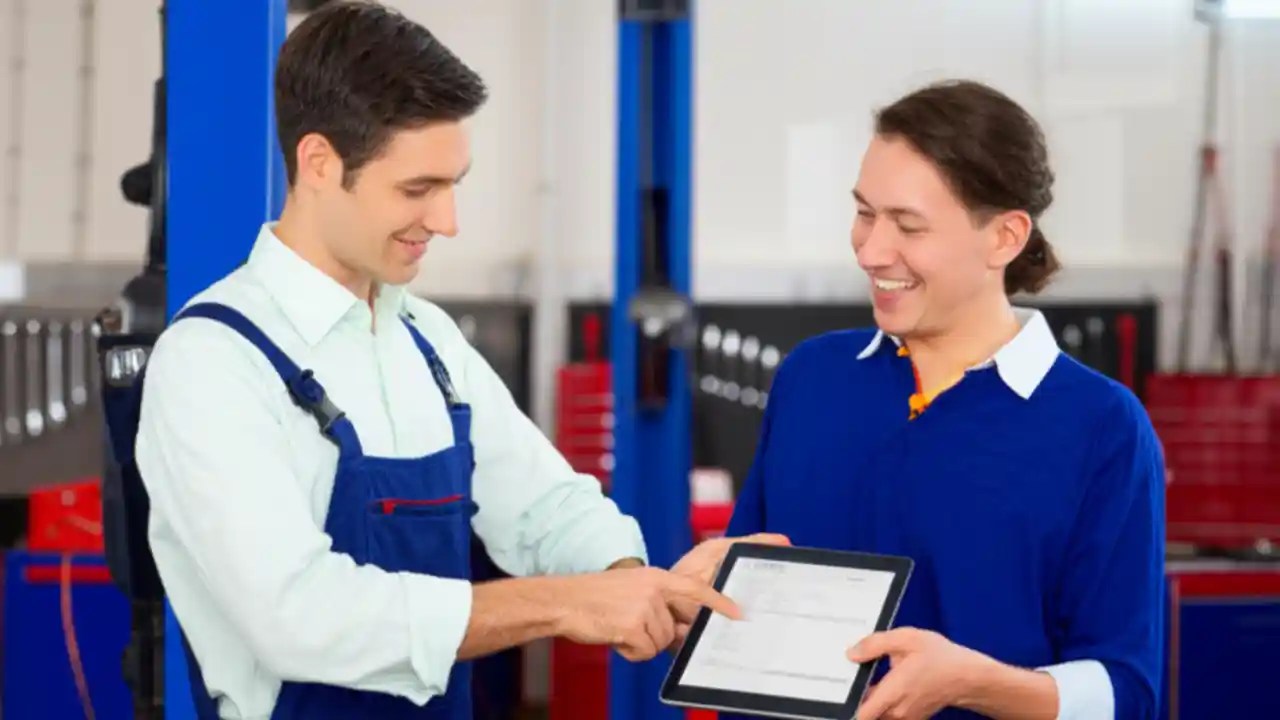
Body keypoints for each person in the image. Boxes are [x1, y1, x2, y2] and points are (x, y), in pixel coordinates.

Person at [135, 4, 780, 719]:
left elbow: (543, 508)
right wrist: (565, 605)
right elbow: (299, 617)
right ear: (318, 163)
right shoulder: (212, 362)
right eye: (417, 189)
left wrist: (637, 582)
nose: (447, 222)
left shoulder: (427, 340)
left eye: (453, 184)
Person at [725, 80, 1165, 720]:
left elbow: (1126, 693)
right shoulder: (812, 377)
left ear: (1005, 238)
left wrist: (976, 684)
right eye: (864, 213)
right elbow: (749, 597)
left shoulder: (1100, 428)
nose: (872, 250)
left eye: (908, 225)